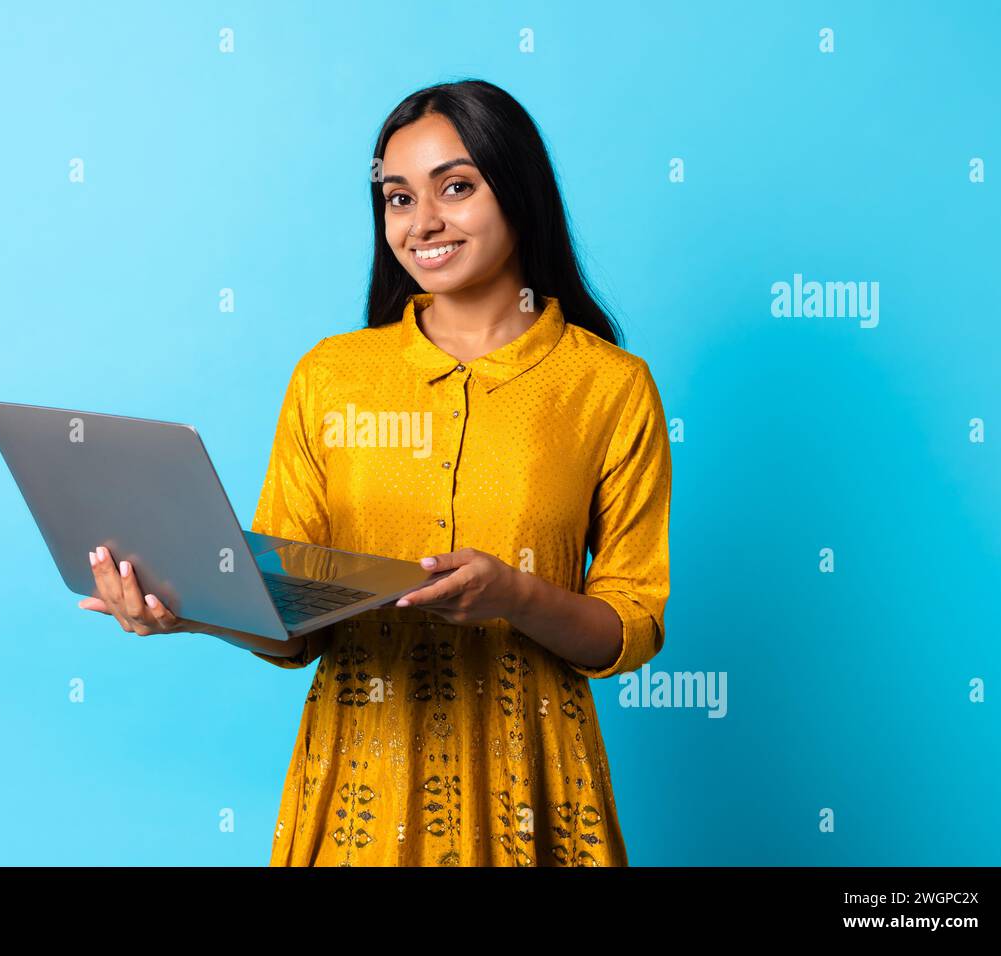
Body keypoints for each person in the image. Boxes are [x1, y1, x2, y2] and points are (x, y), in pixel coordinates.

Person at [80, 78, 672, 866]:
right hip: (359, 788)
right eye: (397, 198)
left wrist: (516, 595)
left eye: (455, 188)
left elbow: (630, 628)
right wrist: (189, 609)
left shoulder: (608, 385)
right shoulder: (332, 377)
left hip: (532, 790)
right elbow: (290, 623)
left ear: (518, 191)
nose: (423, 222)